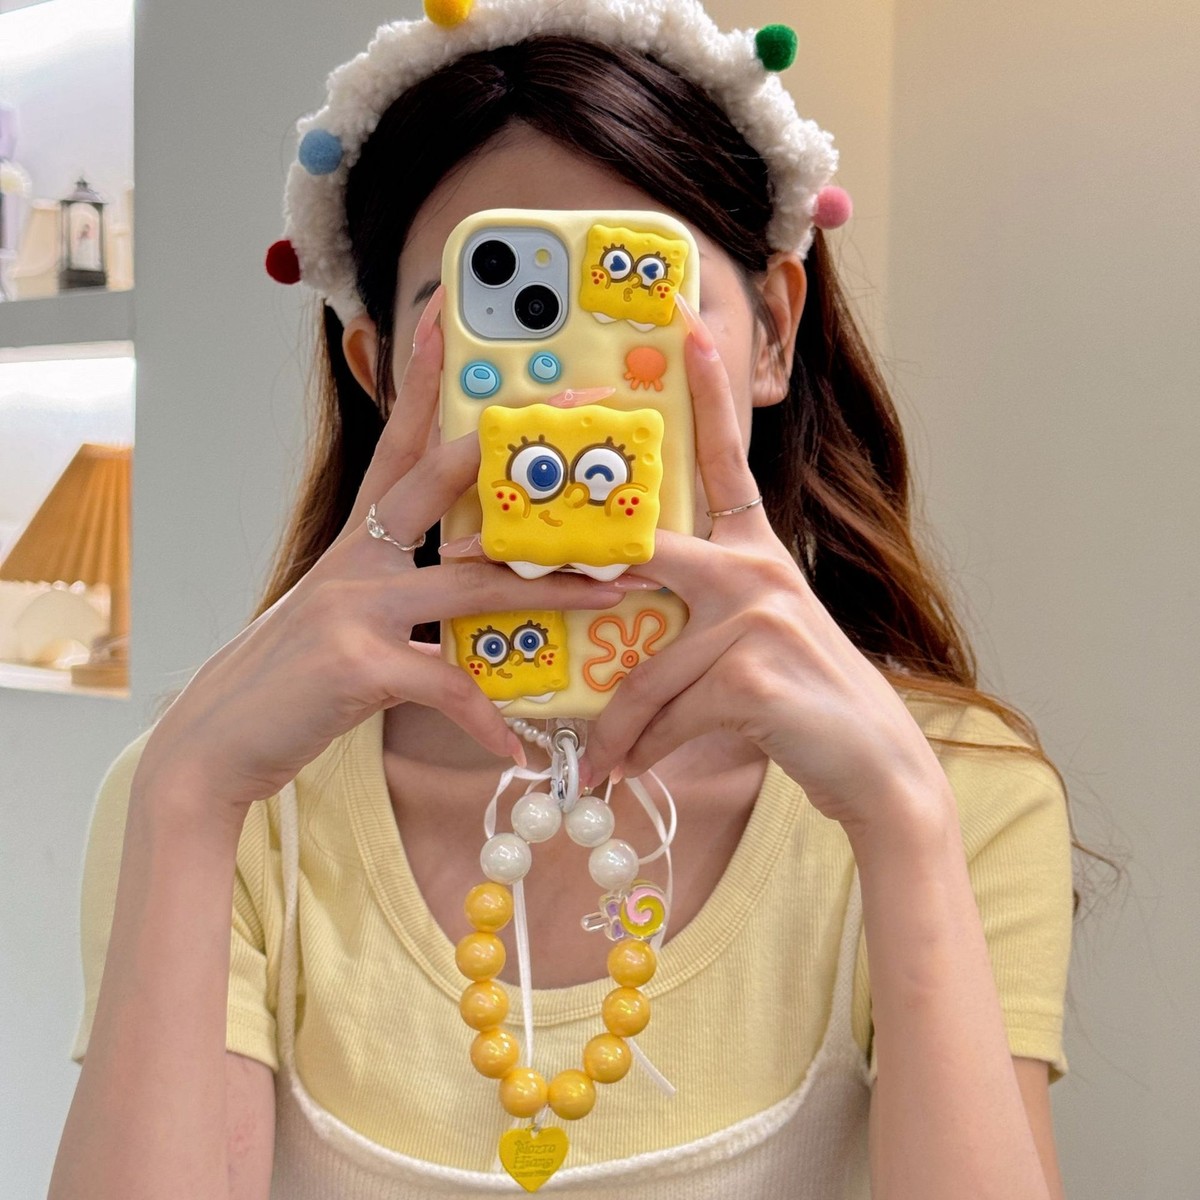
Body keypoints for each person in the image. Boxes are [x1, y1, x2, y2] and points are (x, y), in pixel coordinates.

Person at [50, 2, 1078, 1197]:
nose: (571, 403)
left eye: (637, 289)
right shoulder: (227, 799)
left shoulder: (957, 792)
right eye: (496, 301)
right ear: (381, 372)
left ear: (772, 333)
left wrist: (903, 822)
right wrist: (186, 800)